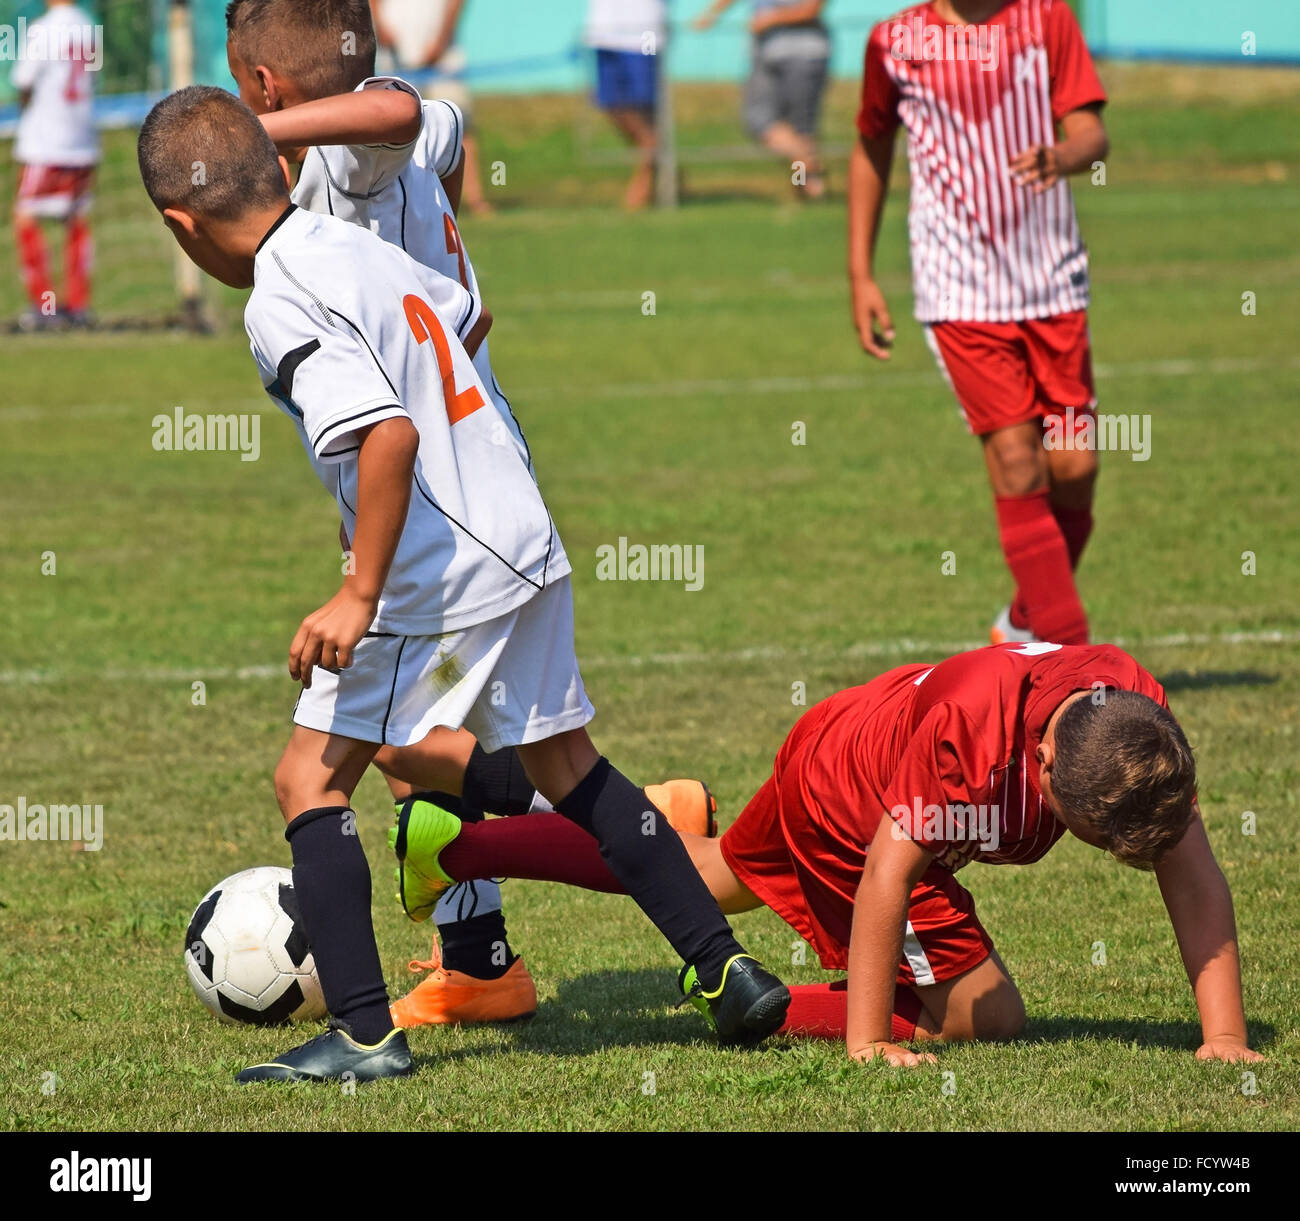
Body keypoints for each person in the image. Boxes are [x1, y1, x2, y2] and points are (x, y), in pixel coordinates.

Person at [138, 85, 788, 1082]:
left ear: (182, 226)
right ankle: (726, 970)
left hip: (434, 562)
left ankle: (362, 1035)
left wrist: (359, 589)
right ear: (280, 171)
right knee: (569, 764)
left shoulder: (276, 296)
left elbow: (384, 433)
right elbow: (462, 326)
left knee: (308, 779)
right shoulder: (354, 244)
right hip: (517, 518)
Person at [225, 0, 712, 1030]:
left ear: (264, 89)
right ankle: (480, 956)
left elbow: (391, 114)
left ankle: (617, 829)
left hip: (435, 482)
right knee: (413, 743)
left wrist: (252, 142)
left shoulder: (352, 153)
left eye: (243, 95)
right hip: (445, 467)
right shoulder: (378, 144)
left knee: (379, 747)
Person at [393, 641, 1263, 1068]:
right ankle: (776, 1004)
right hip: (850, 806)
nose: (1117, 856)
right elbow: (890, 869)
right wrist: (864, 1046)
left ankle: (458, 845)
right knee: (985, 1013)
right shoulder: (975, 733)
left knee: (703, 875)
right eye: (1091, 835)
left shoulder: (1136, 731)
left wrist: (1223, 1035)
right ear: (1038, 763)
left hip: (844, 734)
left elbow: (1190, 866)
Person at [849, 0, 1109, 646]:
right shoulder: (894, 42)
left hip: (1051, 281)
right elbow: (872, 147)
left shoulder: (1046, 19)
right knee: (1019, 463)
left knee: (1074, 466)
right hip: (959, 289)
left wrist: (1064, 156)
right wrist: (861, 272)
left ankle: (1023, 621)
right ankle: (1074, 664)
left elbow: (1091, 132)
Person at [10, 0, 99, 329]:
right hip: (82, 138)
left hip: (46, 141)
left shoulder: (43, 29)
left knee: (26, 218)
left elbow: (23, 81)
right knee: (75, 219)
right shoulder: (88, 26)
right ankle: (78, 307)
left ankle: (45, 307)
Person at [692, 0, 830, 199]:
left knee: (801, 128)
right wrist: (711, 14)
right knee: (759, 120)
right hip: (766, 51)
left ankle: (808, 192)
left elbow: (812, 8)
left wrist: (770, 19)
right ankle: (808, 168)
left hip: (806, 53)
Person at [369, 0, 494, 215]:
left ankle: (474, 199)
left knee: (457, 126)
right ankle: (390, 197)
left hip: (443, 56)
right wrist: (381, 29)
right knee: (392, 130)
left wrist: (441, 41)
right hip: (395, 55)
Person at [585, 0, 666, 210]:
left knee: (645, 107)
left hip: (646, 32)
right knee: (610, 104)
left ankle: (647, 172)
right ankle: (657, 160)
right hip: (605, 33)